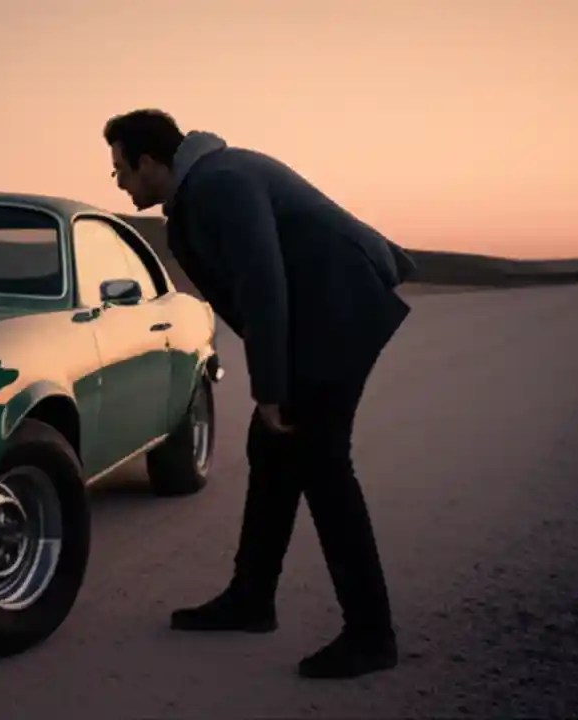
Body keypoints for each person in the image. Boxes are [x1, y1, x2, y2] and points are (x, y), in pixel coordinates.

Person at [102, 109, 416, 679]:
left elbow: (262, 282)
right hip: (318, 319)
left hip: (338, 316)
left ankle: (371, 635)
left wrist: (272, 387)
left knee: (322, 466)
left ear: (150, 163)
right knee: (271, 452)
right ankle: (251, 599)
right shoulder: (210, 183)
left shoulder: (219, 184)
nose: (120, 182)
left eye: (121, 168)